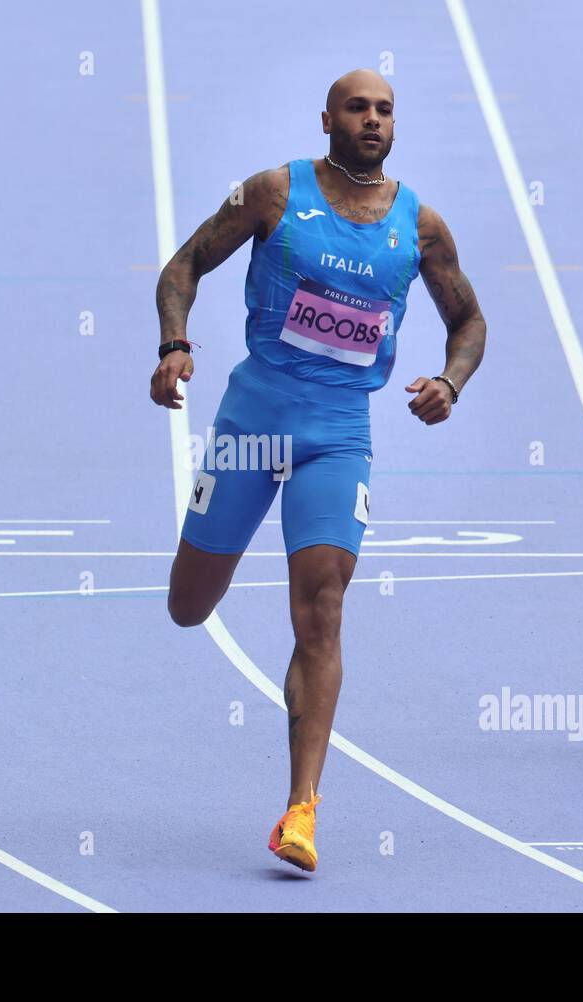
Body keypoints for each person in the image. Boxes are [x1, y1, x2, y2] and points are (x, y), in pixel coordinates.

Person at [150, 70, 486, 870]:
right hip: (252, 421)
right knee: (189, 605)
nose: (373, 120)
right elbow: (182, 268)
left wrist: (451, 380)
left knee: (322, 611)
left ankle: (300, 809)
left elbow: (468, 318)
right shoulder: (274, 193)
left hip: (339, 433)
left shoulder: (421, 226)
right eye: (358, 107)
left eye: (385, 109)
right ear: (328, 118)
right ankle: (211, 572)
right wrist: (174, 346)